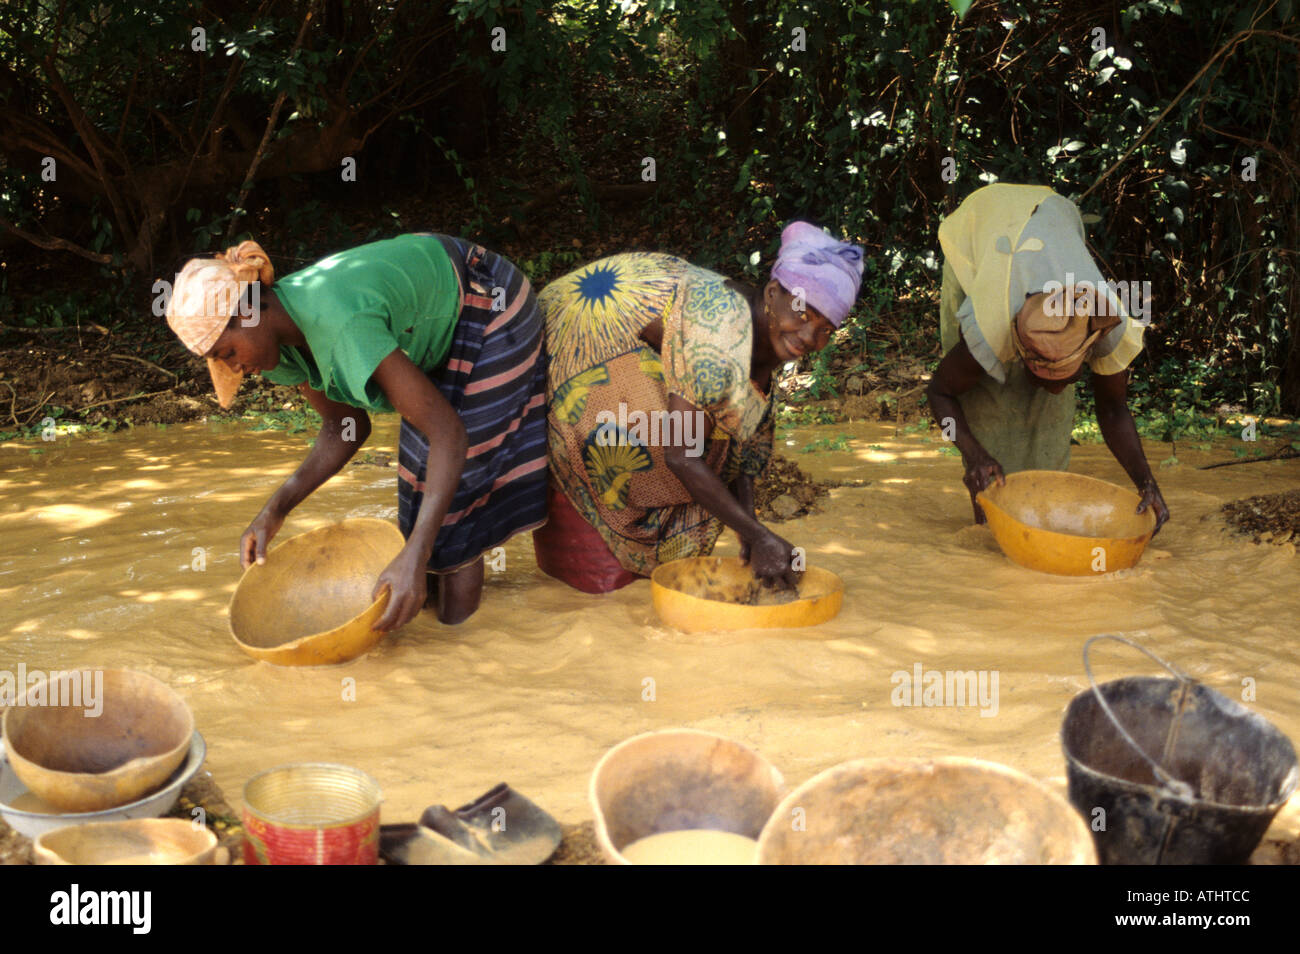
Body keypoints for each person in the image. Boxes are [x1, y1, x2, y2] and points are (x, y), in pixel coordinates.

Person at [164, 234, 547, 628]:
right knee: (419, 505)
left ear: (248, 313)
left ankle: (461, 648)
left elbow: (449, 435)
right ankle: (433, 631)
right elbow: (344, 428)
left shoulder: (342, 324)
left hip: (490, 302)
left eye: (228, 353)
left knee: (448, 517)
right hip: (434, 326)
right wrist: (274, 511)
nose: (234, 368)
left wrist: (416, 554)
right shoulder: (282, 347)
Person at [532, 221, 864, 593]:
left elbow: (742, 435)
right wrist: (758, 533)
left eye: (826, 329)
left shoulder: (765, 345)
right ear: (772, 294)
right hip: (578, 332)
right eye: (803, 313)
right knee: (641, 439)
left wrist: (750, 531)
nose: (809, 336)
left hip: (634, 342)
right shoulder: (719, 330)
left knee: (707, 439)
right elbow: (681, 455)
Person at [925, 183, 1169, 531]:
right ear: (1021, 352)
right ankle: (990, 520)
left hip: (1052, 214)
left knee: (1051, 423)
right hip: (977, 230)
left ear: (1086, 352)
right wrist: (975, 456)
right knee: (983, 401)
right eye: (1040, 374)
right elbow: (940, 392)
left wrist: (1146, 482)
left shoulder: (1105, 323)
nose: (1053, 388)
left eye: (1067, 378)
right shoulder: (990, 327)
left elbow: (1113, 408)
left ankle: (1041, 517)